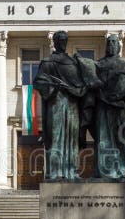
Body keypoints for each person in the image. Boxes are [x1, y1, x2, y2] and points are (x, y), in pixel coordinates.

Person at [33, 31, 101, 180]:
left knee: (72, 138)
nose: (62, 43)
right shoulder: (47, 62)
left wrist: (78, 90)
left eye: (65, 40)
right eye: (60, 40)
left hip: (72, 106)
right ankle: (54, 172)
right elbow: (38, 82)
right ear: (55, 42)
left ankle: (72, 171)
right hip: (55, 104)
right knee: (56, 137)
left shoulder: (73, 63)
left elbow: (82, 84)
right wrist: (54, 87)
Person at [91, 33, 125, 180]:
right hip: (103, 105)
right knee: (102, 138)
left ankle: (120, 170)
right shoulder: (98, 64)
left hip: (120, 106)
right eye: (109, 43)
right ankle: (102, 172)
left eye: (114, 43)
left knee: (120, 138)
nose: (111, 45)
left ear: (119, 47)